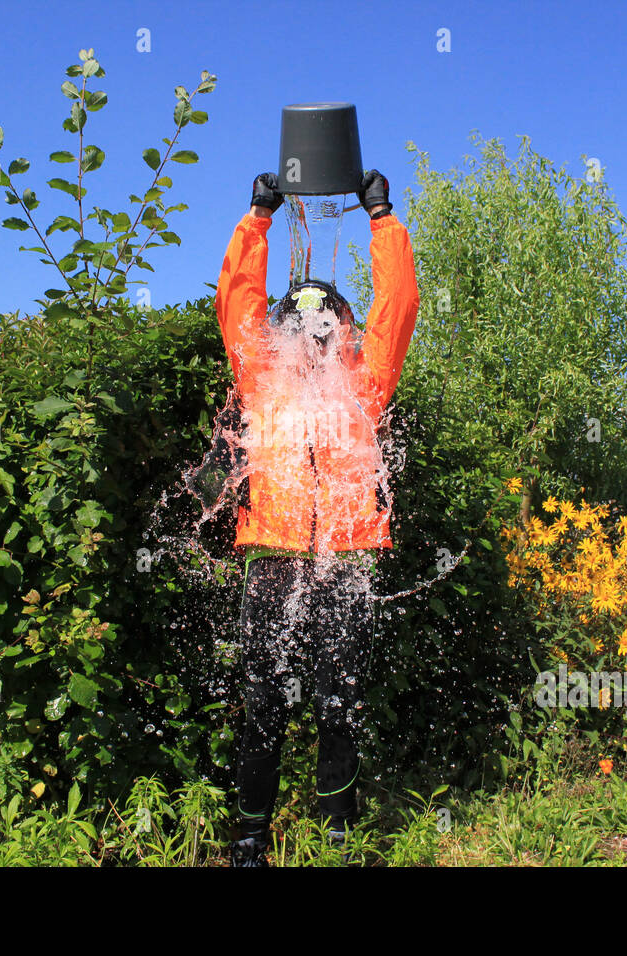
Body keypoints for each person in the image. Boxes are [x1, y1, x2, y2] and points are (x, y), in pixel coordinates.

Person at [212, 169, 420, 866]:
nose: (313, 334)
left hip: (344, 561)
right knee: (264, 701)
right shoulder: (259, 380)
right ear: (282, 332)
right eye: (299, 324)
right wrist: (257, 218)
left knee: (340, 701)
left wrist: (382, 217)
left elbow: (399, 304)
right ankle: (248, 838)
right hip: (273, 558)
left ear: (344, 331)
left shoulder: (367, 381)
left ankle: (341, 835)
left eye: (325, 323)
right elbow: (235, 303)